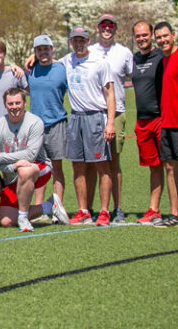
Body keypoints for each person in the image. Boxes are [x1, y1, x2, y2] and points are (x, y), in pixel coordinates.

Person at [0, 88, 69, 232]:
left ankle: (23, 218)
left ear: (24, 103)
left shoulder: (35, 122)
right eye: (10, 104)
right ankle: (50, 205)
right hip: (12, 175)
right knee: (6, 221)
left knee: (25, 169)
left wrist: (0, 157)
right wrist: (12, 167)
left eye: (18, 103)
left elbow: (30, 155)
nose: (14, 107)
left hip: (39, 168)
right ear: (5, 105)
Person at [61, 26, 116, 226]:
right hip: (75, 117)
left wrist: (110, 123)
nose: (79, 43)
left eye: (82, 40)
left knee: (102, 165)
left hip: (96, 117)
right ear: (70, 42)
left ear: (88, 41)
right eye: (75, 40)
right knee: (77, 166)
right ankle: (83, 210)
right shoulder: (66, 61)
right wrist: (29, 60)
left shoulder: (100, 63)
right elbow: (46, 62)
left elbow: (110, 94)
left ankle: (103, 211)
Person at [89, 14, 133, 223]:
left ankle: (117, 208)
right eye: (103, 25)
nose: (107, 28)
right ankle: (89, 208)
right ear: (97, 28)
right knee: (92, 162)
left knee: (113, 161)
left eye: (111, 25)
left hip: (117, 112)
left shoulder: (124, 52)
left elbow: (138, 75)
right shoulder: (89, 51)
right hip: (94, 113)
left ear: (115, 29)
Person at [25, 35, 69, 206]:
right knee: (38, 168)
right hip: (36, 126)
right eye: (39, 49)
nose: (43, 52)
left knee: (57, 167)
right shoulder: (31, 69)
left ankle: (58, 206)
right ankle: (39, 207)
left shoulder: (62, 69)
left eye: (46, 48)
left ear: (52, 49)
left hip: (57, 123)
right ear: (35, 52)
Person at [131, 21, 165, 224]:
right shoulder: (134, 58)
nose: (142, 38)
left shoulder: (162, 56)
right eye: (138, 36)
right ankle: (154, 209)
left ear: (151, 35)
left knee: (171, 165)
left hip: (162, 119)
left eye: (145, 35)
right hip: (142, 122)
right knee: (154, 167)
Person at [153, 22, 178, 228]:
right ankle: (174, 213)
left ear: (173, 35)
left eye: (165, 36)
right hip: (167, 123)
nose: (162, 40)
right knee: (170, 167)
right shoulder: (164, 61)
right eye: (159, 37)